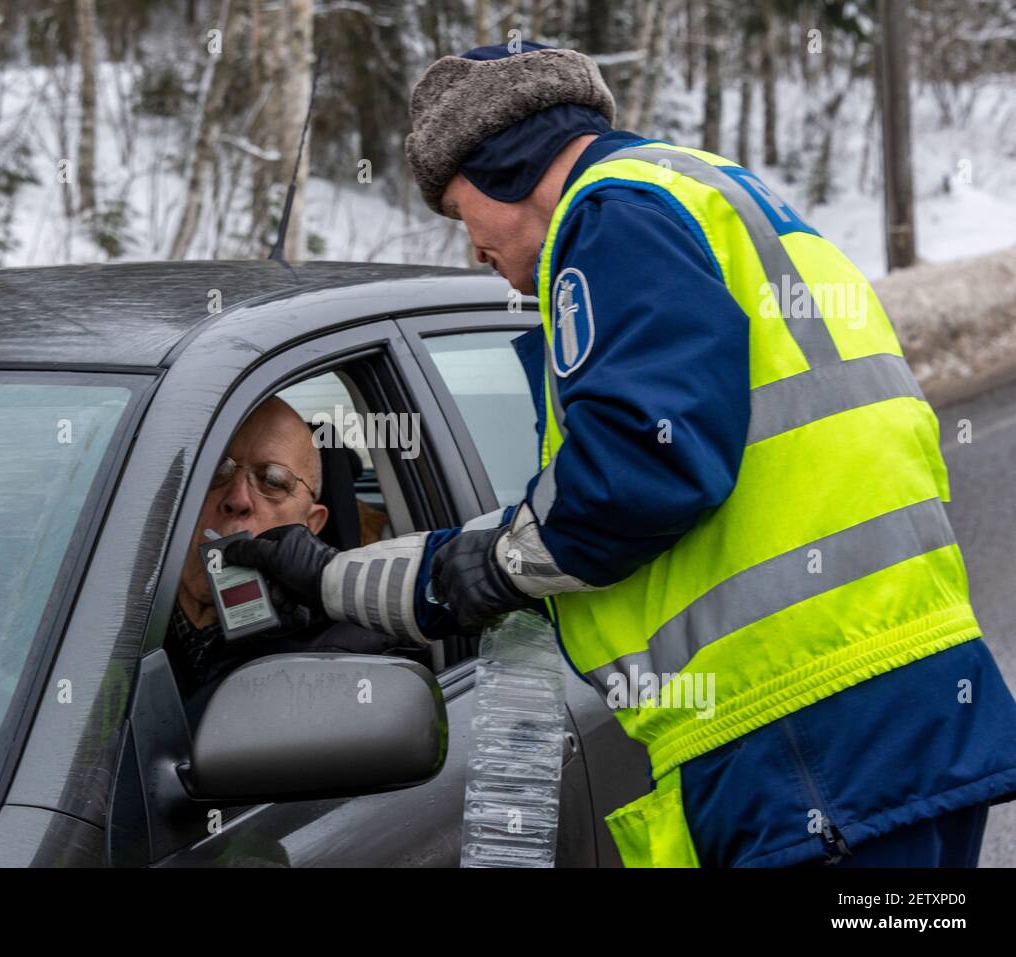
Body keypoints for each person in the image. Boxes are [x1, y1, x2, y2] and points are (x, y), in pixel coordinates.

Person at [227, 41, 1016, 867]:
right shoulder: (715, 191)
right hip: (904, 703)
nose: (475, 250)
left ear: (506, 167)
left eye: (465, 216)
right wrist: (333, 575)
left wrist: (484, 572)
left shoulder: (613, 216)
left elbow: (637, 472)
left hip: (797, 733)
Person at [167, 396, 420, 726]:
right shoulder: (105, 605)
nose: (238, 499)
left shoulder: (347, 658)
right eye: (216, 469)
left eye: (273, 480)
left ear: (310, 525)